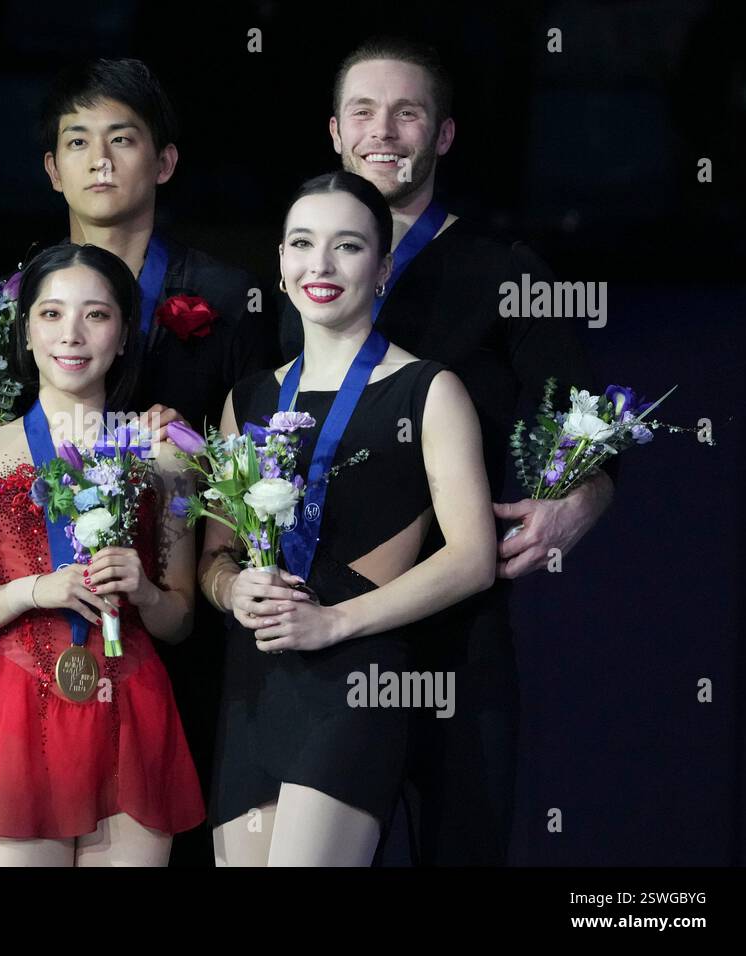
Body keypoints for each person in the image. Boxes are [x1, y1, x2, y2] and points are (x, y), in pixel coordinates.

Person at [278, 37, 618, 865]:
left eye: (408, 113)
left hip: (453, 643)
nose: (383, 131)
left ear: (445, 135)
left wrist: (579, 500)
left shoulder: (504, 272)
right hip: (312, 637)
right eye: (363, 111)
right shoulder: (295, 275)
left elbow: (592, 423)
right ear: (333, 131)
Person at [203, 171, 496, 866]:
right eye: (303, 244)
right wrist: (230, 589)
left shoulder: (429, 389)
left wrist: (334, 622)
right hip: (255, 684)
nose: (321, 265)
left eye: (348, 247)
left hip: (356, 677)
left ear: (384, 266)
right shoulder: (246, 400)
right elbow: (214, 554)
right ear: (279, 263)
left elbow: (473, 557)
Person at [0, 242, 205, 865]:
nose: (72, 335)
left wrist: (148, 592)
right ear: (24, 332)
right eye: (51, 314)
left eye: (96, 315)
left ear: (126, 333)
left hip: (133, 710)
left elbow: (181, 622)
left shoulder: (163, 457)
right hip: (19, 713)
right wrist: (34, 591)